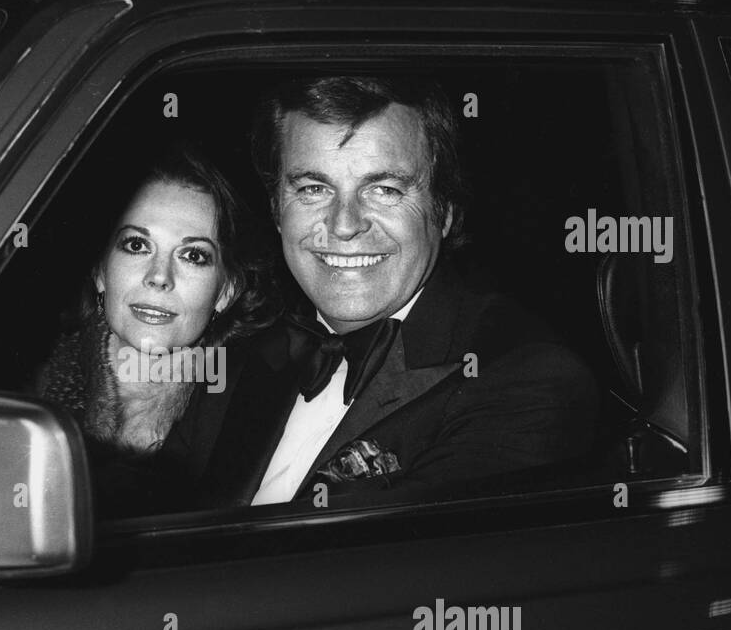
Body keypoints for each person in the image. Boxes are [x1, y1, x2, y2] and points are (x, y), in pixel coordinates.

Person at [154, 75, 600, 511]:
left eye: (384, 189)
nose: (344, 224)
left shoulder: (528, 379)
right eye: (313, 189)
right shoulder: (238, 352)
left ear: (443, 212)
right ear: (276, 210)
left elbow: (400, 575)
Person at [38, 142, 277, 456]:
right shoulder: (29, 402)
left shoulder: (251, 423)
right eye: (137, 245)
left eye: (193, 255)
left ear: (225, 292)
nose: (160, 276)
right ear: (100, 272)